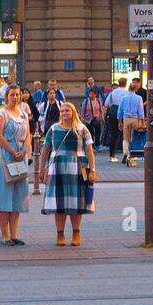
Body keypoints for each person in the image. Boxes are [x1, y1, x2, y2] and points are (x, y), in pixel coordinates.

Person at [41, 99, 97, 246]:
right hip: (57, 167)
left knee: (76, 203)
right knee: (58, 204)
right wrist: (41, 169)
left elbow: (89, 151)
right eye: (62, 111)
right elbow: (45, 150)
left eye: (67, 110)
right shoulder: (53, 129)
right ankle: (60, 235)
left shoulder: (82, 129)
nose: (64, 113)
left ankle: (76, 234)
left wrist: (92, 170)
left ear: (73, 112)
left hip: (78, 166)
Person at [0, 83, 31, 245]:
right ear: (6, 97)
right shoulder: (2, 114)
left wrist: (25, 150)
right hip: (5, 156)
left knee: (17, 196)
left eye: (18, 94)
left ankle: (14, 234)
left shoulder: (23, 114)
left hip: (20, 156)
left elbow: (28, 135)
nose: (15, 97)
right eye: (12, 94)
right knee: (4, 195)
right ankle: (4, 235)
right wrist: (13, 151)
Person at [118, 78, 146, 166]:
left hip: (126, 118)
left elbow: (120, 110)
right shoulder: (139, 98)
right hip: (135, 119)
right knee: (136, 136)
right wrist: (142, 121)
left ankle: (126, 153)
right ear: (135, 89)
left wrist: (119, 121)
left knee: (125, 138)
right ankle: (134, 152)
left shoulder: (123, 98)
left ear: (129, 89)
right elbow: (140, 111)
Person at [105, 77, 129, 160]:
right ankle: (126, 154)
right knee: (126, 134)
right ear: (126, 83)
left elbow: (106, 104)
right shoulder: (127, 93)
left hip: (112, 112)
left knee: (113, 134)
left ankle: (112, 155)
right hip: (123, 113)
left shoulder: (112, 92)